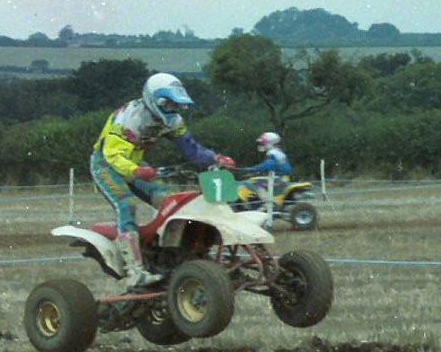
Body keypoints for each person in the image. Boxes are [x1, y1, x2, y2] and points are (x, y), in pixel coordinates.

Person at [91, 72, 234, 287]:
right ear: (152, 99)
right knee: (126, 204)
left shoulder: (174, 121)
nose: (171, 108)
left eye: (175, 104)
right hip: (106, 165)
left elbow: (192, 150)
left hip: (135, 164)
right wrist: (136, 171)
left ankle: (170, 256)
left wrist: (216, 158)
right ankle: (134, 270)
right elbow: (112, 154)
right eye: (167, 103)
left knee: (170, 201)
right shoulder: (130, 118)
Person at [238, 132, 292, 207]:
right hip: (281, 177)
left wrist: (253, 169)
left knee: (255, 183)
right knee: (257, 181)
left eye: (263, 143)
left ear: (270, 143)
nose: (261, 145)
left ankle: (269, 204)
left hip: (279, 179)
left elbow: (268, 165)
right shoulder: (277, 152)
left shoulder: (273, 153)